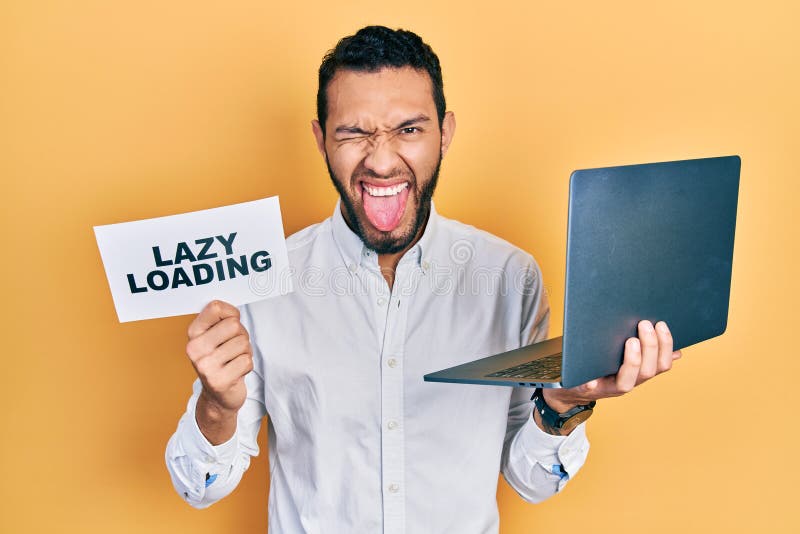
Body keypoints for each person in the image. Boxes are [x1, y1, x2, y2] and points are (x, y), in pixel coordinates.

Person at [166, 26, 680, 533]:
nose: (381, 161)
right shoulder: (262, 280)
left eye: (409, 130)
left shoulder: (510, 277)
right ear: (321, 140)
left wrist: (564, 403)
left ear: (445, 133)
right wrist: (216, 407)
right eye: (354, 133)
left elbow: (532, 480)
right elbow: (200, 486)